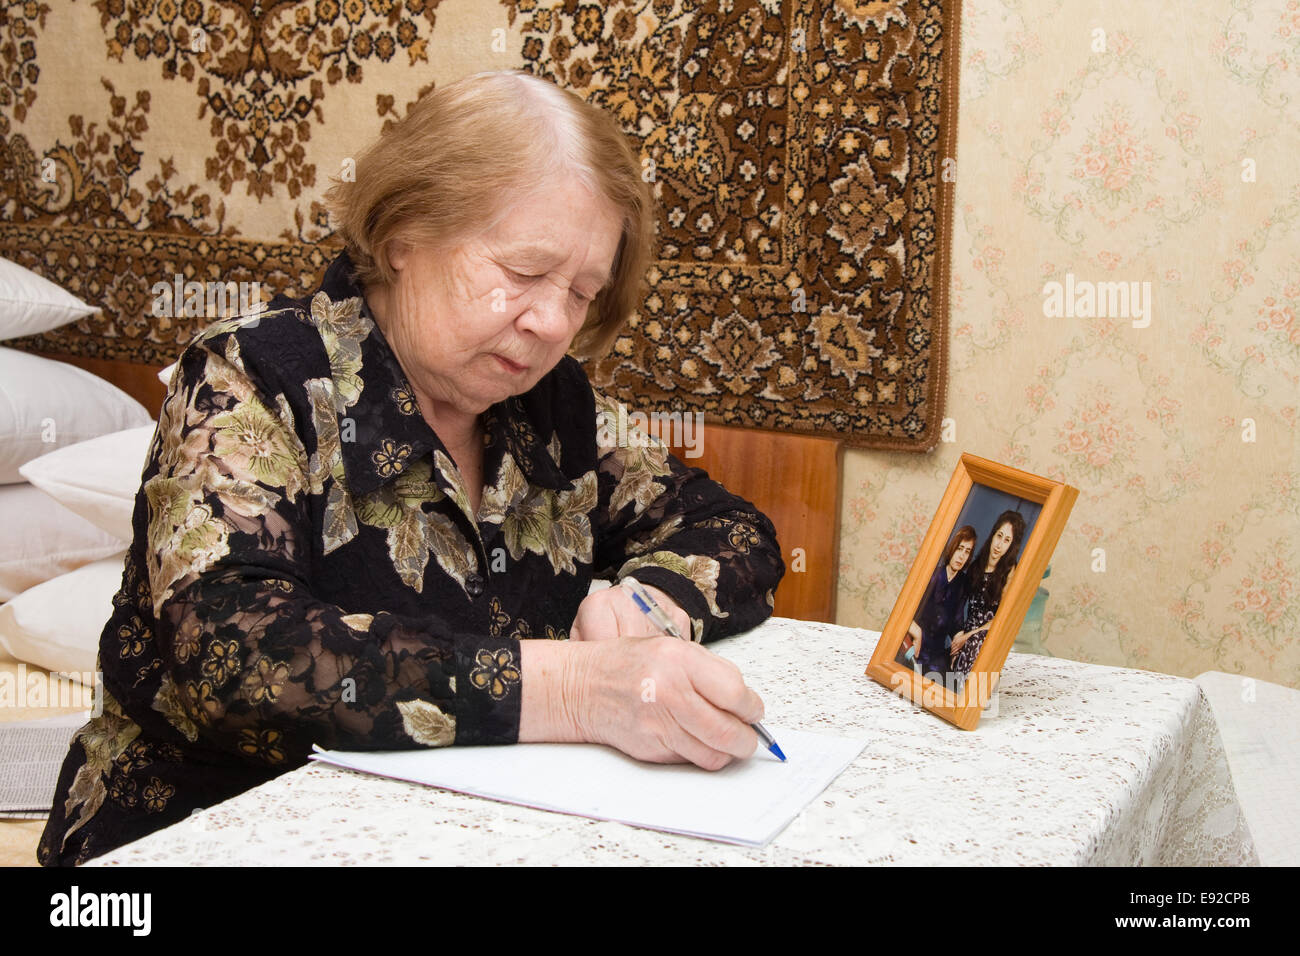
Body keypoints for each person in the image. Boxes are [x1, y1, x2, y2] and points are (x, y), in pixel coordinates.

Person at [38, 70, 784, 866]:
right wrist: (575, 688)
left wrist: (653, 600)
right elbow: (235, 653)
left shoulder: (551, 405)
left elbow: (733, 529)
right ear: (404, 236)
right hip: (200, 840)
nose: (550, 322)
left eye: (580, 292)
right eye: (525, 273)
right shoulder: (252, 375)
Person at [949, 511, 1026, 681]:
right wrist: (958, 639)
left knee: (975, 642)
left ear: (1011, 546)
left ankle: (965, 699)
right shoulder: (976, 565)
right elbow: (959, 606)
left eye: (1007, 540)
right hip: (967, 631)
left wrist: (967, 638)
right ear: (993, 535)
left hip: (988, 632)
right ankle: (954, 696)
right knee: (956, 652)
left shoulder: (1010, 570)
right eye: (999, 536)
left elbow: (1002, 617)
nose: (999, 545)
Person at [896, 526, 976, 682]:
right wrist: (917, 632)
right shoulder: (931, 575)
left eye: (967, 551)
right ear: (952, 548)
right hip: (914, 647)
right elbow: (903, 611)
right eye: (960, 548)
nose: (962, 556)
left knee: (942, 690)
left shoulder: (963, 583)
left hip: (937, 655)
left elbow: (957, 623)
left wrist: (958, 648)